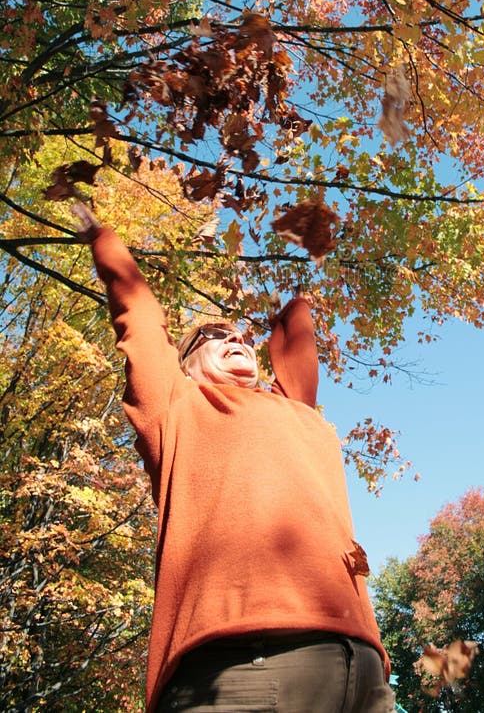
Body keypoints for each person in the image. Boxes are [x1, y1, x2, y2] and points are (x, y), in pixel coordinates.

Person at [74, 202, 396, 713]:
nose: (236, 339)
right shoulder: (177, 408)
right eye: (217, 335)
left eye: (243, 337)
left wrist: (286, 301)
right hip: (241, 655)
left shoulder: (295, 410)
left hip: (361, 669)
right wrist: (102, 237)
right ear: (185, 362)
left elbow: (298, 343)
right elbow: (140, 321)